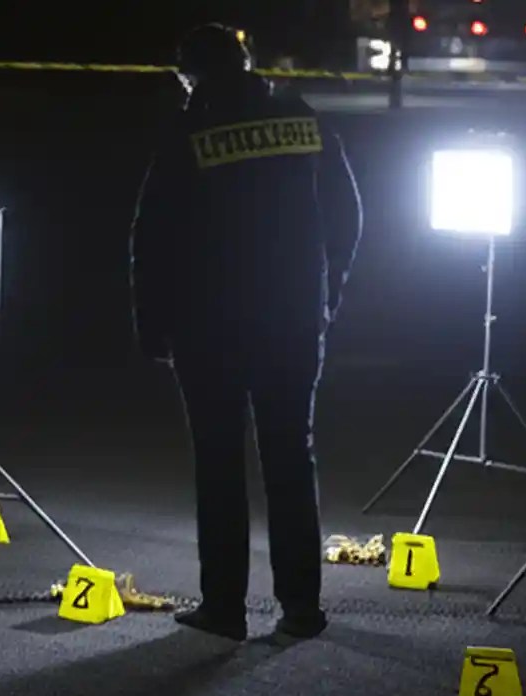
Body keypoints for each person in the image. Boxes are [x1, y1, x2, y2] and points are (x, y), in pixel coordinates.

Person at [129, 23, 362, 641]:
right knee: (290, 458)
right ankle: (301, 608)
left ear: (191, 75)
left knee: (219, 463)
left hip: (210, 326)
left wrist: (152, 324)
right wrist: (327, 291)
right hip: (292, 318)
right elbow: (346, 214)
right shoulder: (300, 117)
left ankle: (225, 608)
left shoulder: (189, 131)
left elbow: (153, 236)